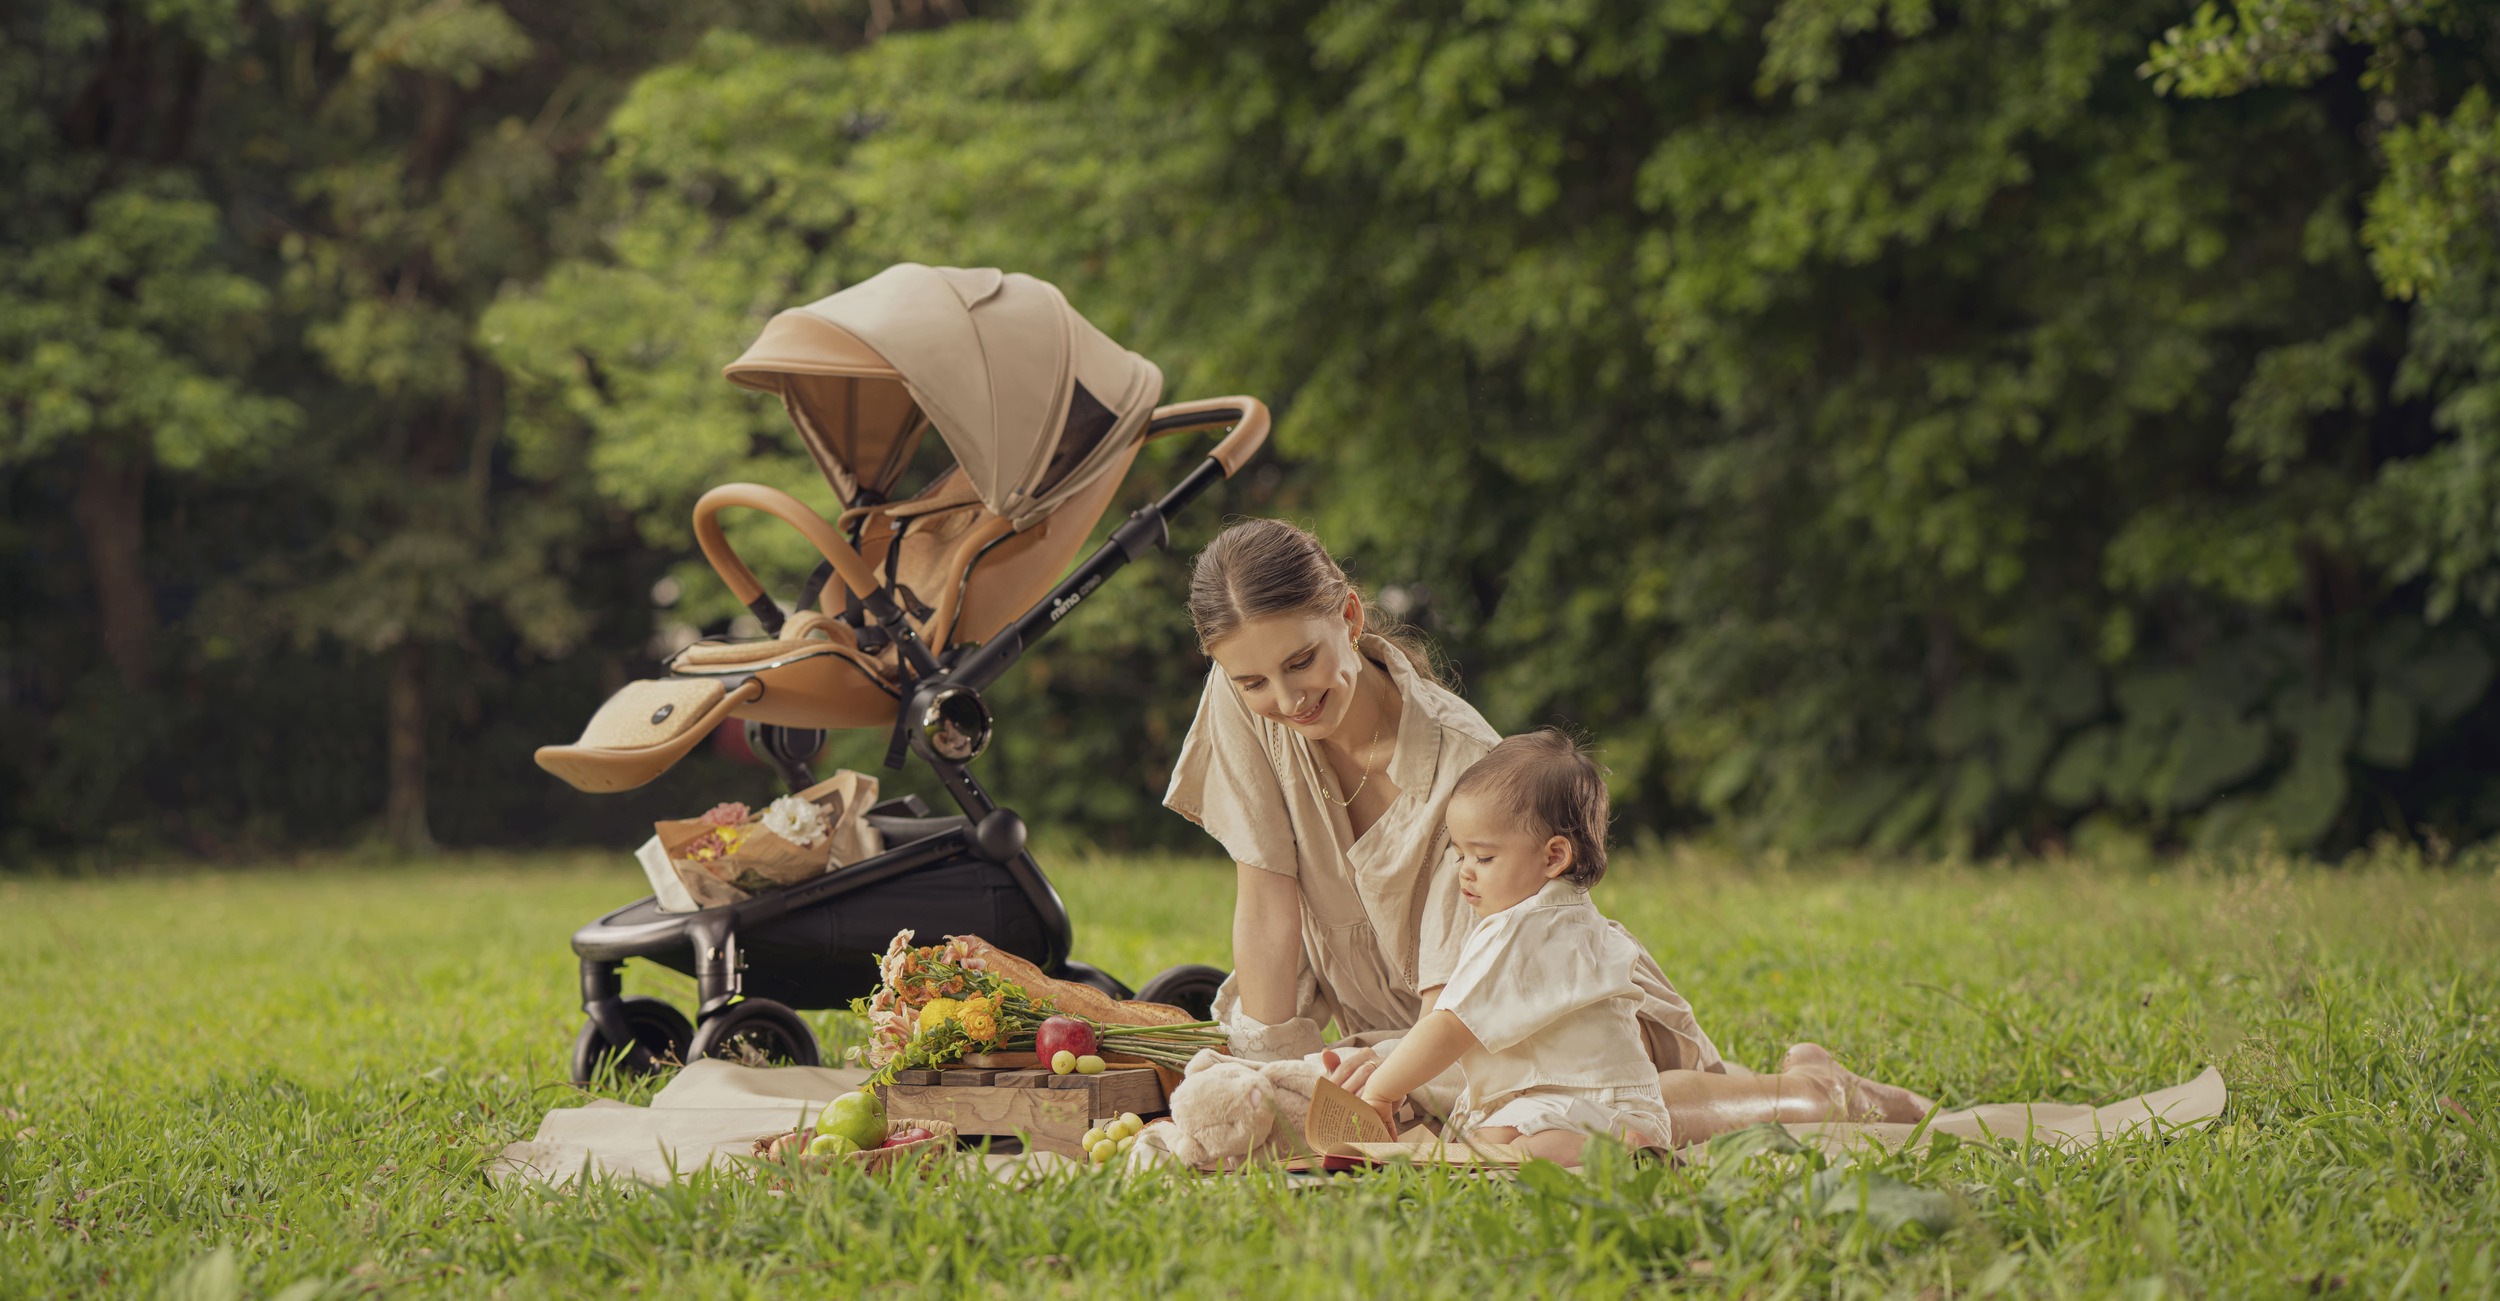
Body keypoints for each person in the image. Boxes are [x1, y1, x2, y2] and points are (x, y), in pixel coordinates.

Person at [1164, 518, 1933, 1144]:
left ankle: (1811, 1093)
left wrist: (1370, 1078)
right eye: (1254, 680)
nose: (1286, 699)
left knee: (1575, 1114)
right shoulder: (1242, 694)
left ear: (1350, 617)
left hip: (1524, 1010)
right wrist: (1265, 1074)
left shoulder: (1465, 767)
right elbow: (1266, 895)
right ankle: (1799, 1080)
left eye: (1302, 662)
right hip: (1416, 1038)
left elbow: (1460, 1007)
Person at [1352, 730, 1674, 1163]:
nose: (1465, 872)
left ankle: (1616, 1151)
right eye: (1460, 855)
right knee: (1479, 1149)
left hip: (1588, 1105)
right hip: (1593, 1102)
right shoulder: (1572, 917)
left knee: (1512, 1153)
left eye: (1483, 858)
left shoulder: (1521, 929)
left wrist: (1381, 1089)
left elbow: (1450, 1026)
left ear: (1553, 856)